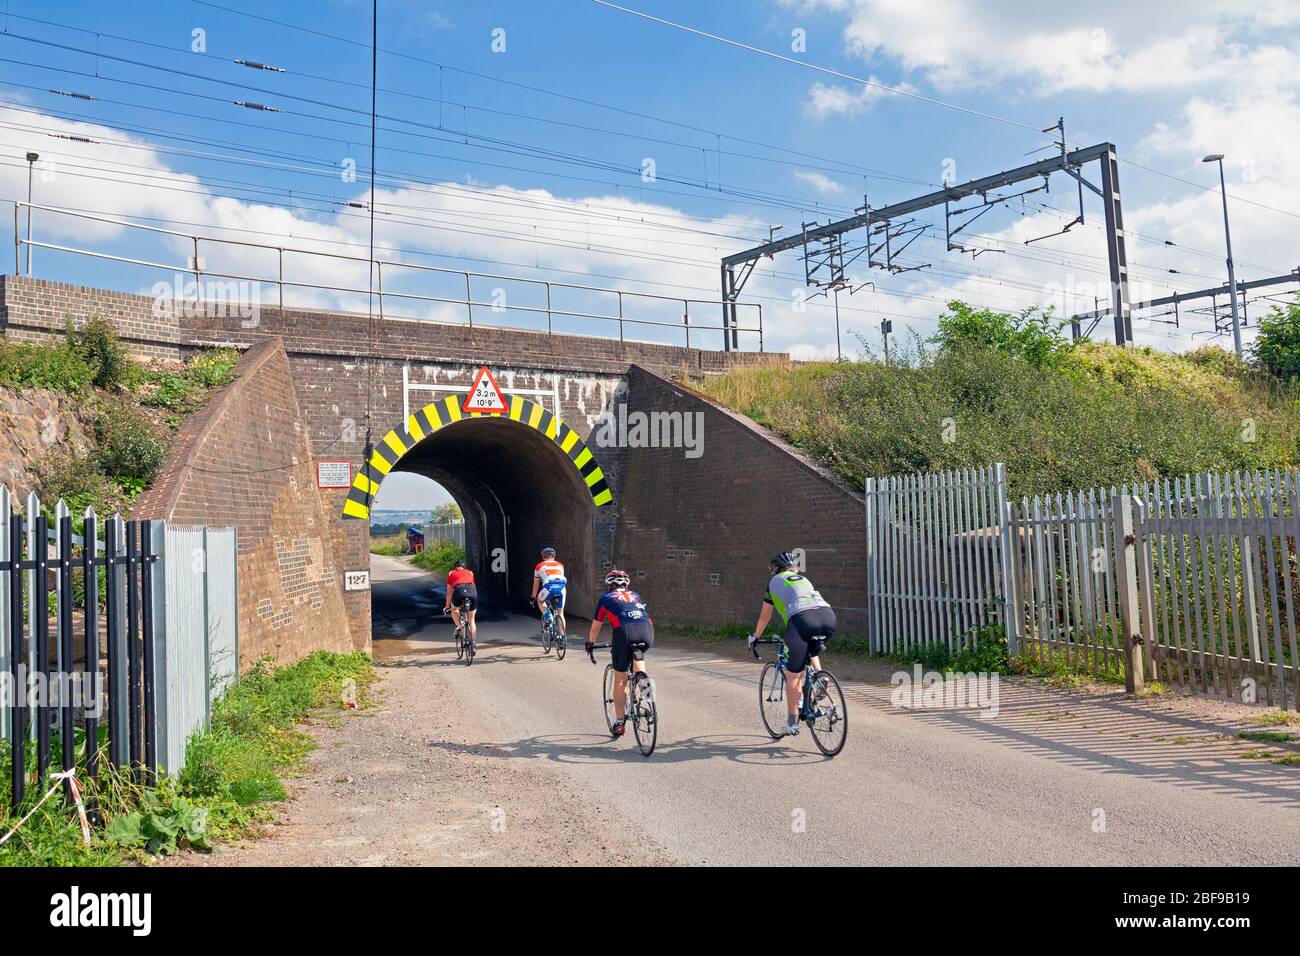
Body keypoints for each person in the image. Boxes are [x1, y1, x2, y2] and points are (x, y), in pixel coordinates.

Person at [748, 552, 836, 737]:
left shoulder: (773, 583)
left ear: (775, 569)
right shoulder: (803, 579)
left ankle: (792, 724)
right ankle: (821, 678)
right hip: (828, 617)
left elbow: (765, 617)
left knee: (793, 674)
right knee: (809, 648)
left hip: (801, 620)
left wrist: (755, 637)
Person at [586, 569, 653, 737]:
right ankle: (649, 701)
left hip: (625, 632)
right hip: (647, 631)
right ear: (626, 584)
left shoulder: (605, 598)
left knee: (620, 679)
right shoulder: (635, 595)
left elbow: (595, 627)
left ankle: (620, 722)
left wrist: (590, 643)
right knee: (639, 665)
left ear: (609, 585)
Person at [531, 547, 568, 637]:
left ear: (543, 557)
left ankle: (548, 616)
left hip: (549, 587)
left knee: (540, 600)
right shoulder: (560, 565)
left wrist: (533, 597)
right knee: (560, 613)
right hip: (562, 588)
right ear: (554, 556)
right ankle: (562, 637)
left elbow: (536, 584)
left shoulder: (539, 566)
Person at [444, 559, 478, 648]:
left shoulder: (451, 573)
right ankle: (473, 643)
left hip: (459, 591)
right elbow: (472, 584)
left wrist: (447, 606)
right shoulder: (470, 572)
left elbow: (449, 592)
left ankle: (458, 625)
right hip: (472, 592)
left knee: (454, 609)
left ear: (455, 567)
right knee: (471, 620)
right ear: (464, 567)